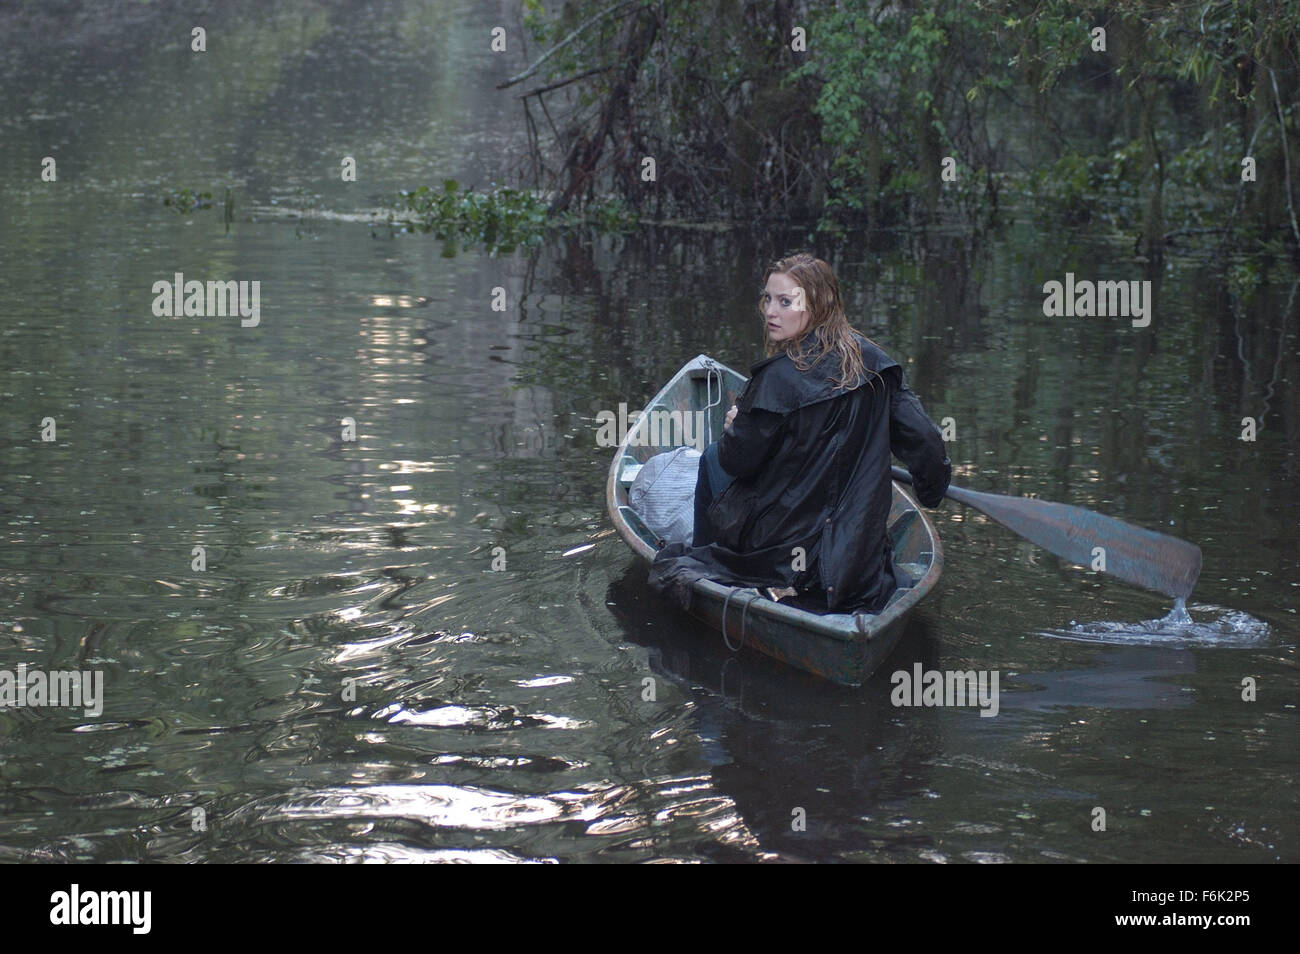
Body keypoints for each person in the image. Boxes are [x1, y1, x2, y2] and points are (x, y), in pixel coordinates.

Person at [648, 251, 951, 615]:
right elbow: (928, 446)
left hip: (782, 556)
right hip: (857, 562)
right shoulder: (878, 367)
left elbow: (737, 460)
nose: (770, 312)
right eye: (768, 299)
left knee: (712, 458)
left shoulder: (777, 379)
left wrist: (735, 426)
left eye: (785, 301)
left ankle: (710, 558)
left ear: (817, 305)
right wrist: (931, 492)